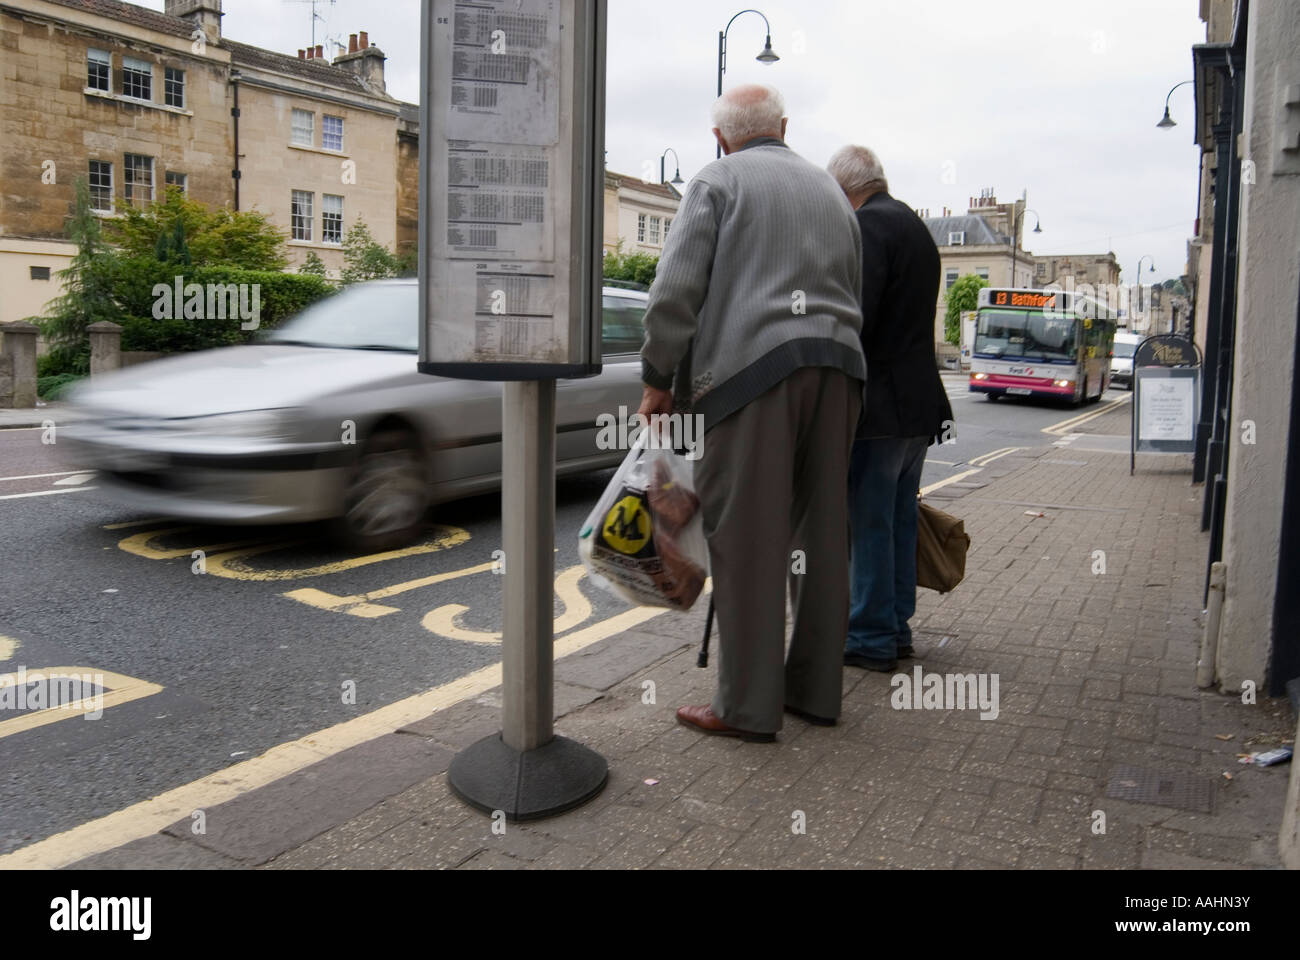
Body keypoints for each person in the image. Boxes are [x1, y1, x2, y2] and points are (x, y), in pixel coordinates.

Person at [637, 84, 866, 742]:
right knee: (820, 538)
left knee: (747, 542)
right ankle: (815, 691)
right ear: (785, 127)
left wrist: (658, 378)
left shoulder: (717, 180)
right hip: (840, 370)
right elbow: (855, 290)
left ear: (719, 138)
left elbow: (675, 290)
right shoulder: (830, 192)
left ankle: (745, 707)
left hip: (753, 374)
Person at [827, 145, 955, 672]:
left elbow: (856, 315)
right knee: (897, 518)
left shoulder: (868, 227)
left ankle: (871, 637)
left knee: (869, 523)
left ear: (845, 188)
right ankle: (897, 626)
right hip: (917, 405)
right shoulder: (912, 225)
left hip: (879, 408)